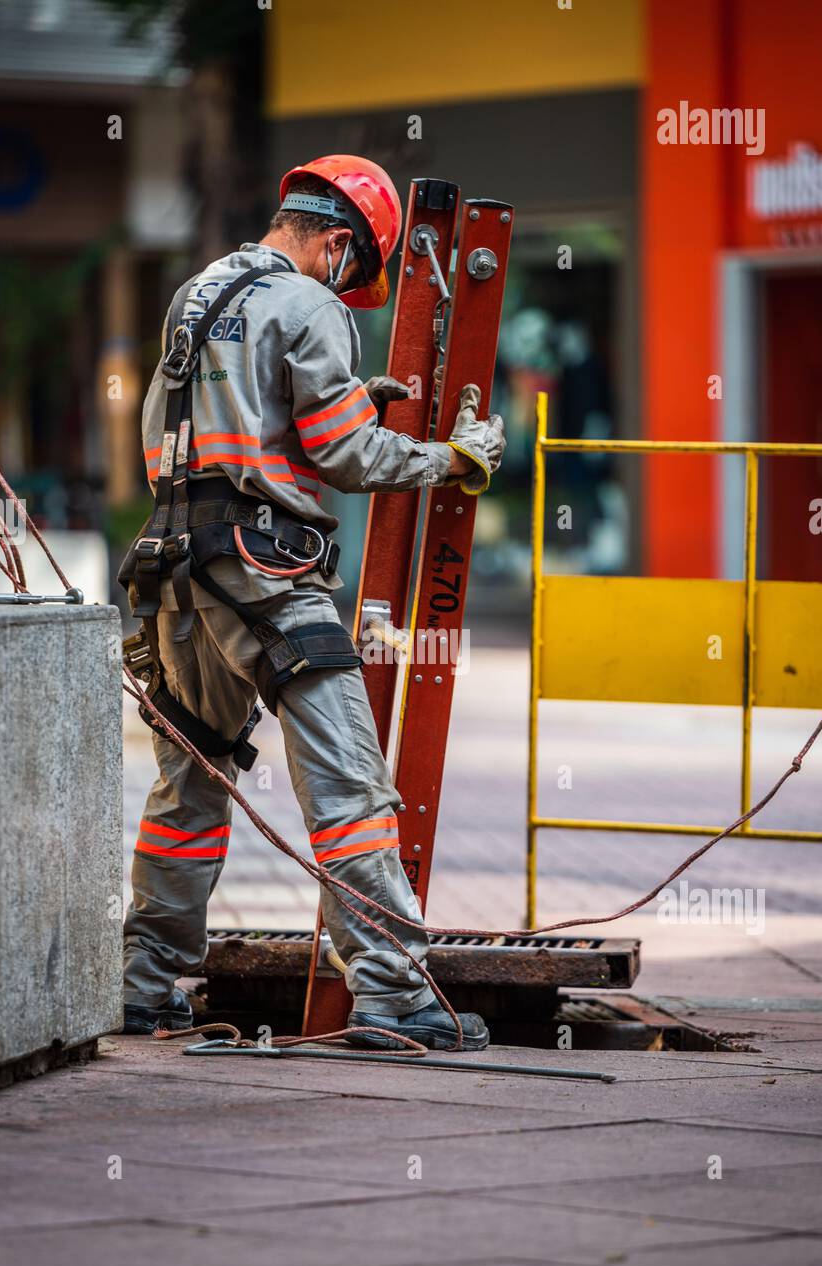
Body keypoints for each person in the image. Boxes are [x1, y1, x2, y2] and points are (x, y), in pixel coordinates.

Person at [120, 154, 505, 1050]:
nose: (350, 288)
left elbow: (226, 426)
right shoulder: (311, 304)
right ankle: (394, 997)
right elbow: (347, 461)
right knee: (350, 787)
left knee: (191, 784)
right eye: (354, 271)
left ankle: (147, 988)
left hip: (177, 577)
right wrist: (453, 457)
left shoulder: (199, 291)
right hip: (266, 577)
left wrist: (350, 400)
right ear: (337, 245)